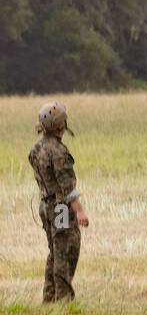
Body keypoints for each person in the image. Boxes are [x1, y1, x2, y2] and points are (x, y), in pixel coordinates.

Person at [28, 101, 89, 302]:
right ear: (61, 125)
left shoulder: (36, 149)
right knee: (65, 250)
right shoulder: (59, 152)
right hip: (61, 207)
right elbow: (68, 186)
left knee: (54, 252)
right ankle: (63, 299)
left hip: (45, 205)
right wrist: (79, 211)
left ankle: (49, 296)